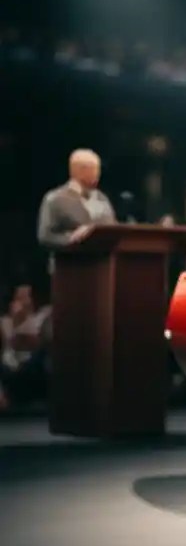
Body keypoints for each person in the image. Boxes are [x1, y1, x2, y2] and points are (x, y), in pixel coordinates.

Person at [37, 149, 117, 258]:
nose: (97, 173)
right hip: (69, 263)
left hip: (102, 263)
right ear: (79, 170)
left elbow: (112, 227)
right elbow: (45, 237)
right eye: (93, 169)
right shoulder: (55, 199)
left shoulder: (102, 198)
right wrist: (73, 238)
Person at [0, 284, 51, 412]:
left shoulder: (43, 317)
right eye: (19, 298)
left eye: (26, 297)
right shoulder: (4, 322)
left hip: (34, 376)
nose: (23, 302)